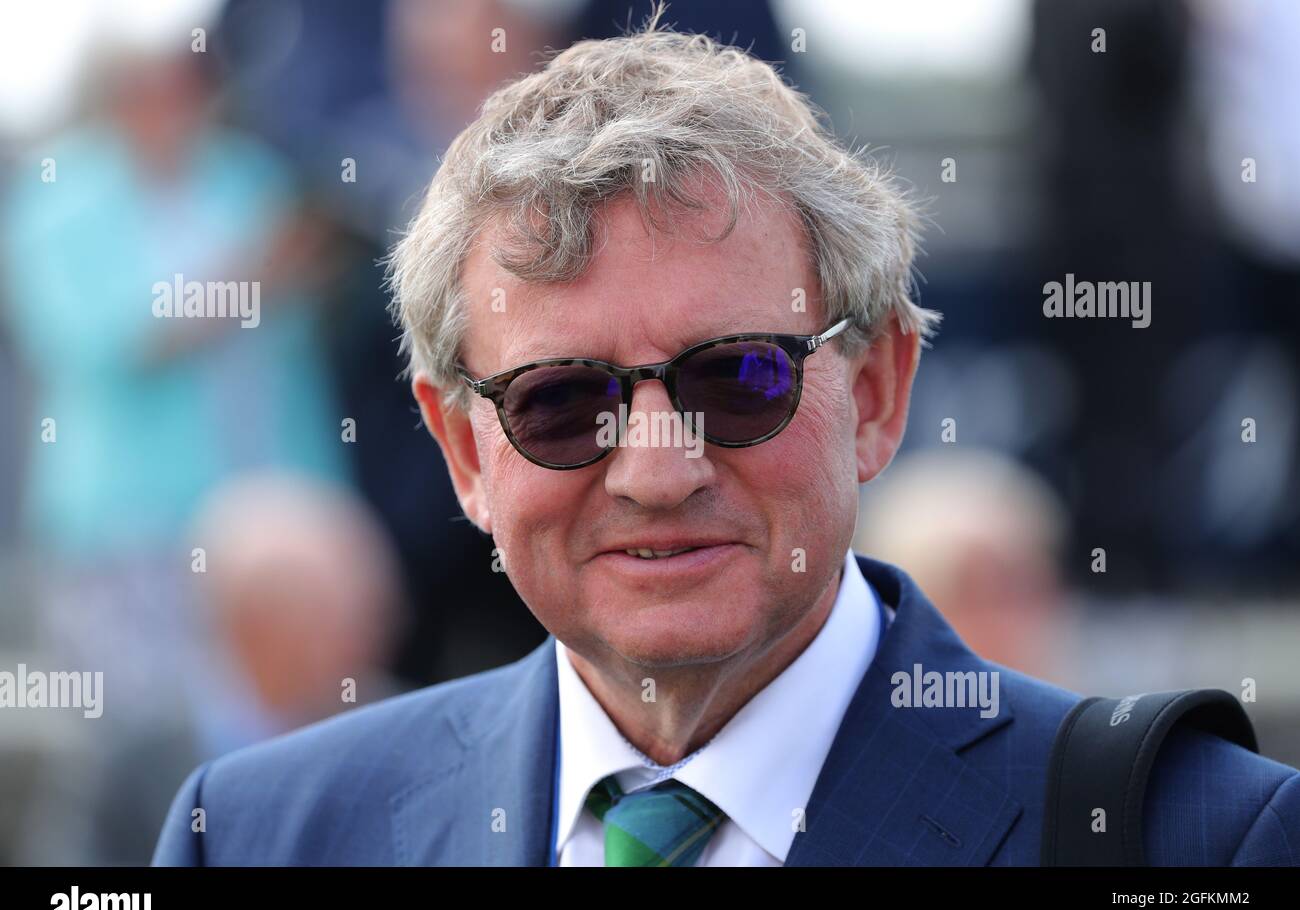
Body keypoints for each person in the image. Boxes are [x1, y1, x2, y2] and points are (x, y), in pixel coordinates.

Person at [154, 17, 1299, 866]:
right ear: (462, 449)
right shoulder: (259, 837)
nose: (657, 469)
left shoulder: (1192, 842)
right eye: (562, 402)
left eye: (737, 378)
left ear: (880, 388)